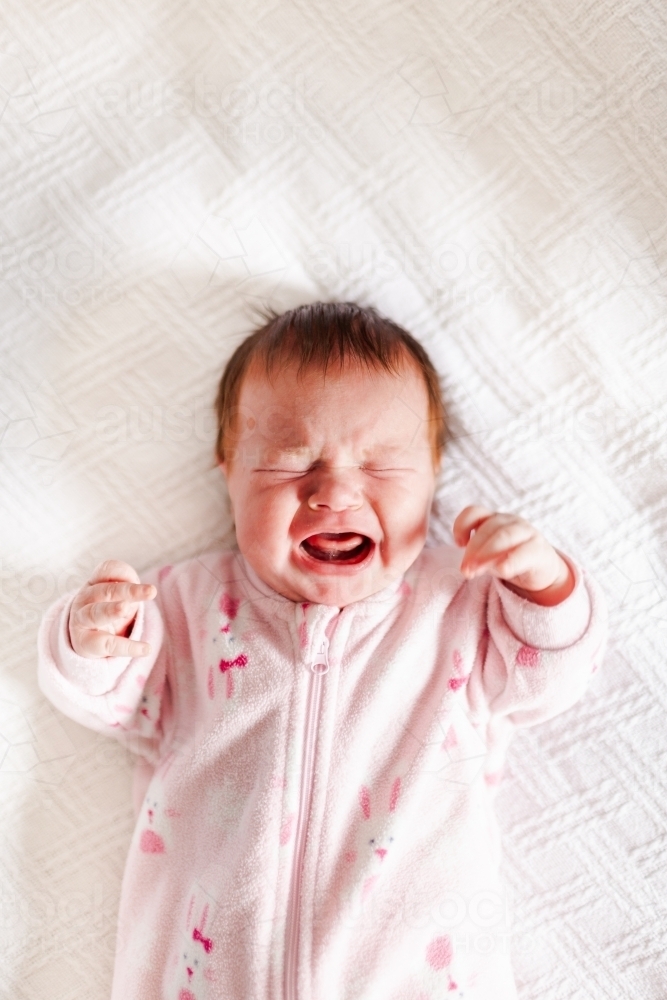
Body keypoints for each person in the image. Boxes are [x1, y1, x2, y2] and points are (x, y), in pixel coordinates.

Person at [38, 301, 607, 999]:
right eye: (287, 463)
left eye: (380, 465)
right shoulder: (184, 606)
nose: (334, 490)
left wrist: (543, 583)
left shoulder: (455, 605)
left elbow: (551, 672)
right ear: (228, 472)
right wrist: (94, 637)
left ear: (431, 476)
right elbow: (106, 696)